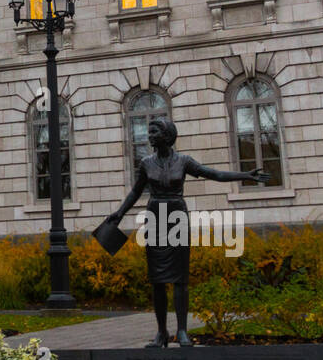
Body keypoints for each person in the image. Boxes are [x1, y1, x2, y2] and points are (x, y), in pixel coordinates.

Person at [106, 116, 269, 348]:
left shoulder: (183, 161)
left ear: (167, 136)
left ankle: (182, 331)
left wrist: (245, 176)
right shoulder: (146, 163)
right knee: (157, 280)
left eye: (154, 132)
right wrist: (119, 213)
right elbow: (135, 192)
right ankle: (161, 332)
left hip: (176, 216)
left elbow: (213, 174)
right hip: (155, 217)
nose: (149, 136)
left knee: (180, 278)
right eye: (149, 132)